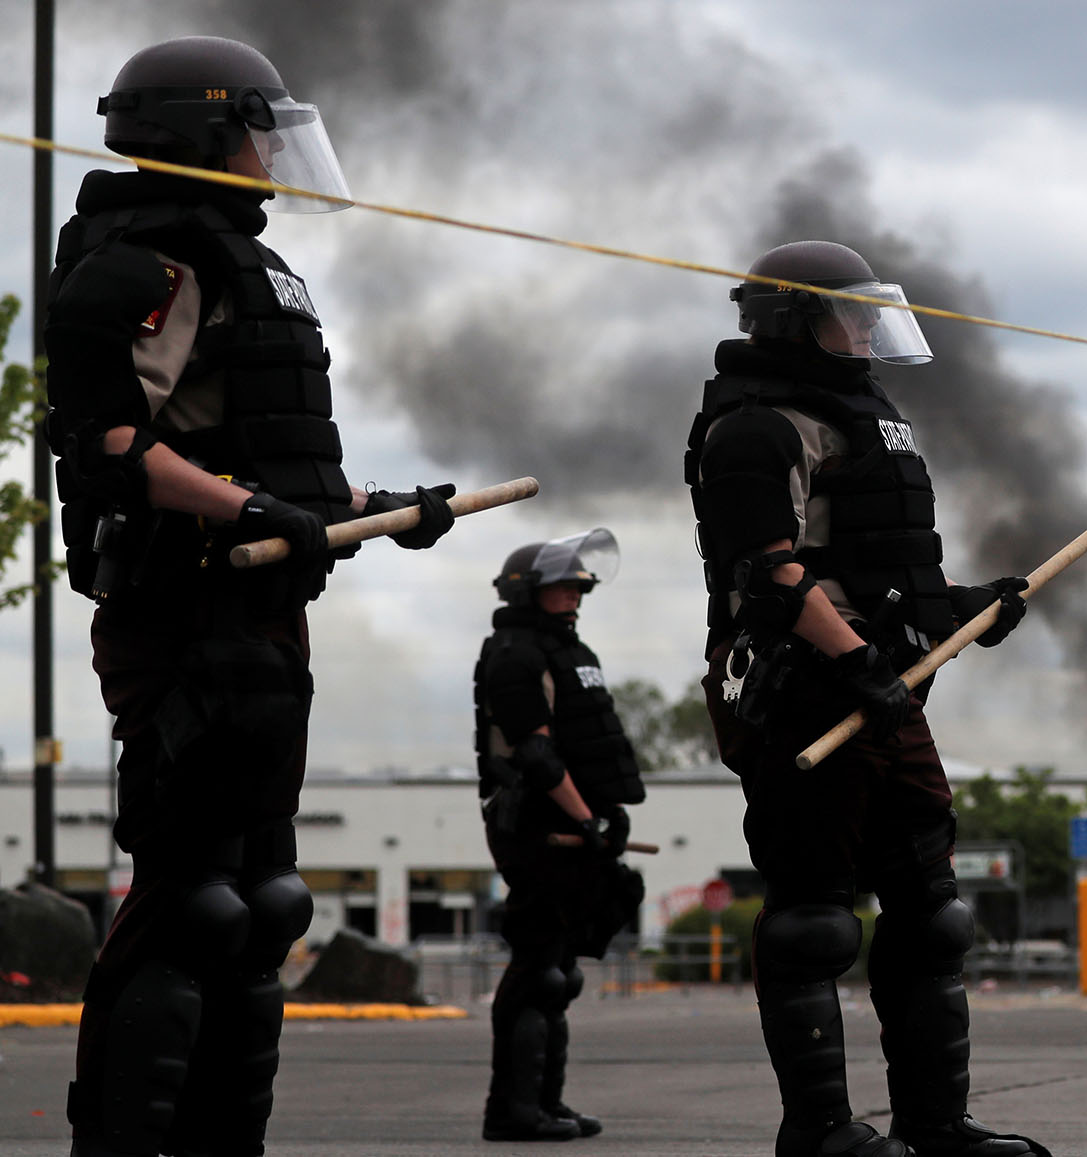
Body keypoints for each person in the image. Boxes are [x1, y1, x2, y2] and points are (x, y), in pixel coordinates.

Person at [43, 36, 454, 1157]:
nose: (272, 158)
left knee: (265, 902)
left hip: (264, 617)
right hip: (180, 612)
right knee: (193, 903)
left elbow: (266, 465)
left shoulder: (243, 264)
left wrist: (379, 505)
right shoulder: (142, 265)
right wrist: (248, 512)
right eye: (255, 134)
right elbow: (116, 450)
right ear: (200, 133)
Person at [684, 240, 1048, 1157]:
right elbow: (768, 574)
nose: (866, 334)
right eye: (849, 315)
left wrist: (964, 609)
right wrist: (853, 664)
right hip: (806, 688)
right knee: (811, 919)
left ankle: (937, 1124)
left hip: (882, 689)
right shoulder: (755, 428)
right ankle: (820, 1135)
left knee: (931, 913)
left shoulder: (860, 416)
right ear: (794, 320)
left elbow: (872, 567)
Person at [474, 529, 646, 1141]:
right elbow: (538, 756)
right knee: (538, 968)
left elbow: (589, 746)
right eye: (562, 587)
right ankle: (513, 1111)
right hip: (537, 830)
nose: (575, 595)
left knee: (559, 972)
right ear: (528, 592)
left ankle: (546, 1104)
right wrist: (584, 819)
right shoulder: (516, 654)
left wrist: (608, 816)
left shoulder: (569, 652)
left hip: (574, 828)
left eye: (579, 586)